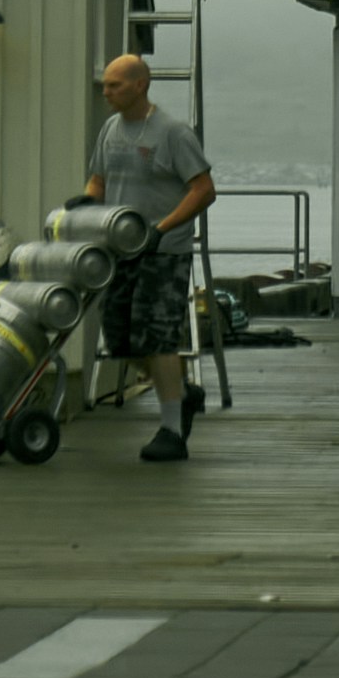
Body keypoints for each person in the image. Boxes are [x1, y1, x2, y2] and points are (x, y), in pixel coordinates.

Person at [78, 49, 214, 463]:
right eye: (105, 86)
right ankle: (184, 391)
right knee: (120, 337)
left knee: (157, 336)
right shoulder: (110, 131)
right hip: (121, 250)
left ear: (141, 85)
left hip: (163, 250)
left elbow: (203, 189)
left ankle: (172, 429)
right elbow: (99, 180)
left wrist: (162, 229)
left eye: (115, 85)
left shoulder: (172, 133)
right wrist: (86, 207)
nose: (107, 93)